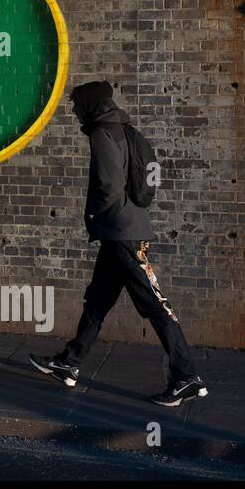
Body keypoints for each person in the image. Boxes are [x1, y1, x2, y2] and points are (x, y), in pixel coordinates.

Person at [31, 81, 209, 406]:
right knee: (97, 301)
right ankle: (69, 362)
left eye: (76, 105)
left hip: (122, 234)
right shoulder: (125, 130)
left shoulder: (103, 133)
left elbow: (109, 185)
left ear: (90, 105)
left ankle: (186, 377)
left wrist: (97, 216)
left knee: (155, 304)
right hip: (123, 231)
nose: (73, 111)